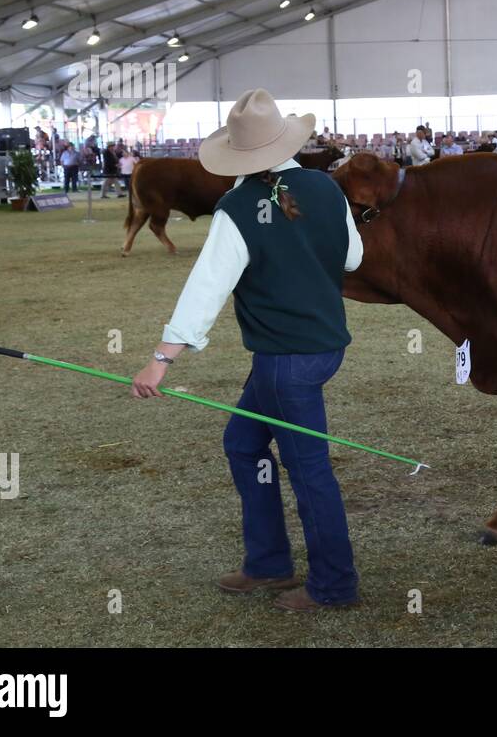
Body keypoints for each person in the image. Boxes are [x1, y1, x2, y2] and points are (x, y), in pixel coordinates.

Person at [131, 89, 364, 612]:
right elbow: (352, 257)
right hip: (317, 351)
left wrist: (161, 359)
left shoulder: (236, 207)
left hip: (287, 362)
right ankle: (268, 563)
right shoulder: (326, 187)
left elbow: (206, 287)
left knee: (310, 471)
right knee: (242, 442)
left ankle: (334, 586)